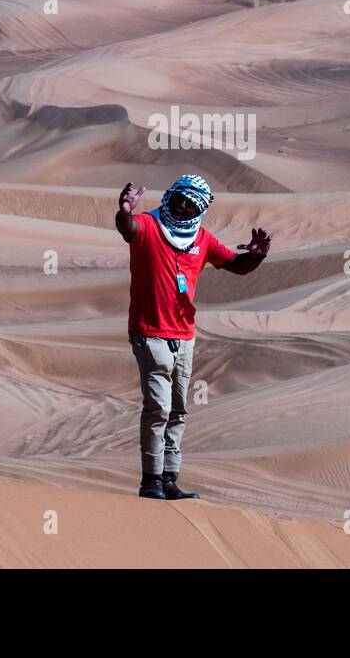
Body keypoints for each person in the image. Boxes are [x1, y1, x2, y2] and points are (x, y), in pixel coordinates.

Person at [116, 174, 271, 500]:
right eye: (180, 198)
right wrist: (125, 211)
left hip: (184, 336)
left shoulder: (201, 239)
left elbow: (236, 265)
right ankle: (150, 481)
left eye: (192, 203)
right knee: (157, 408)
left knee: (178, 410)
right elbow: (127, 228)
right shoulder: (148, 225)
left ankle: (170, 479)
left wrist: (256, 255)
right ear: (171, 195)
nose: (183, 205)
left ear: (199, 209)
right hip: (150, 333)